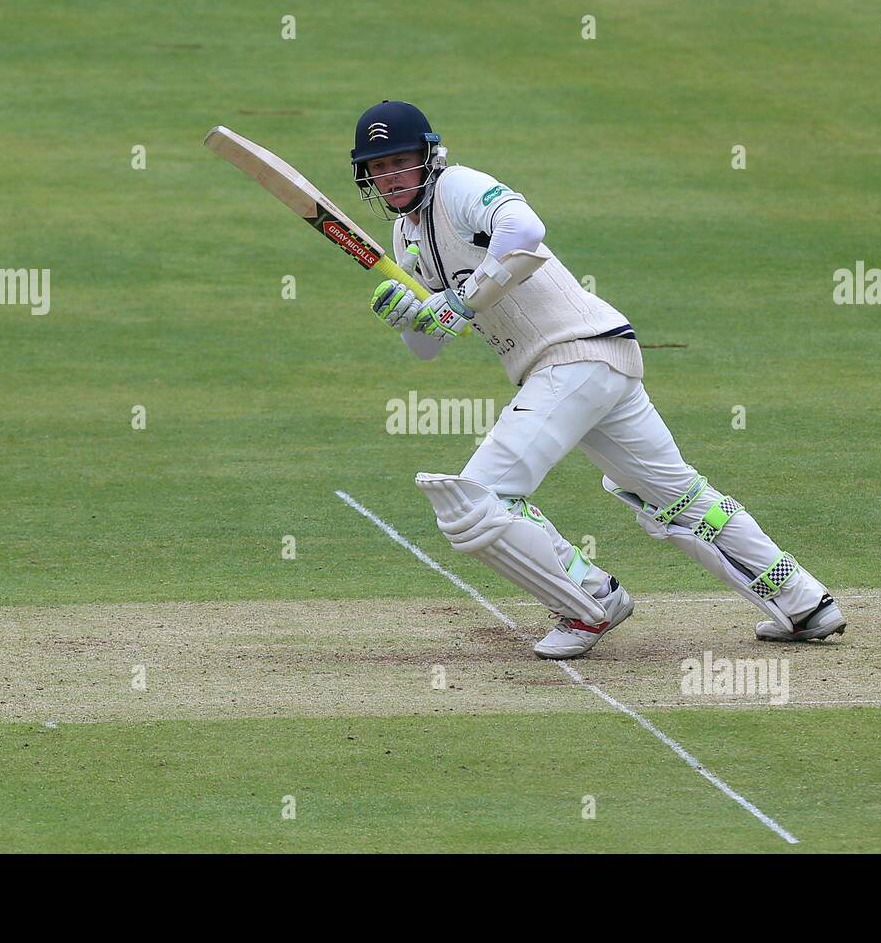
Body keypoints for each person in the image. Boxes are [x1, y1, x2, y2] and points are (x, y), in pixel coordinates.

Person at [353, 100, 846, 659]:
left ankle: (589, 601)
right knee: (680, 498)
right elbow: (426, 346)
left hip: (577, 355)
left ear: (428, 157)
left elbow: (525, 229)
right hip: (589, 359)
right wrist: (410, 316)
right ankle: (804, 602)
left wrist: (460, 303)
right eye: (378, 166)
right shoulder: (405, 236)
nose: (390, 176)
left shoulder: (459, 188)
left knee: (478, 498)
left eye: (400, 161)